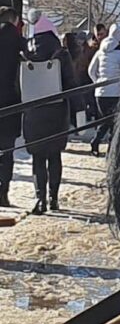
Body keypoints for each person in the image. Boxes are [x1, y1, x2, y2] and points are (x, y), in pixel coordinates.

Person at [22, 17, 75, 214]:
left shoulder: (25, 53)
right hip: (57, 111)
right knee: (54, 155)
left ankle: (39, 199)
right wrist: (78, 112)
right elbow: (71, 83)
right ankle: (53, 198)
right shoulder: (61, 54)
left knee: (37, 157)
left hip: (33, 111)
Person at [88, 22, 120, 155]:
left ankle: (97, 142)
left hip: (100, 92)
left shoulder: (100, 52)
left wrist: (98, 82)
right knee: (115, 123)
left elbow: (91, 70)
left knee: (105, 120)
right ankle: (111, 150)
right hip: (116, 92)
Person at [0, 7, 22, 206]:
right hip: (9, 102)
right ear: (14, 21)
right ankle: (3, 193)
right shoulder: (16, 40)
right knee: (7, 152)